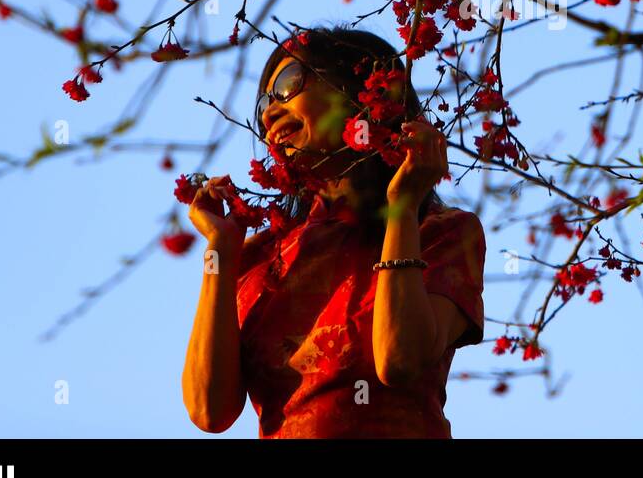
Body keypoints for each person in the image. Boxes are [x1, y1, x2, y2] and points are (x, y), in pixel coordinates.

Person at [180, 25, 486, 438]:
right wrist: (220, 252)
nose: (270, 113)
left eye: (288, 86)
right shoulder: (259, 258)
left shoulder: (441, 232)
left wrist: (402, 205)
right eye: (265, 103)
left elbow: (399, 359)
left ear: (361, 95)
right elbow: (207, 410)